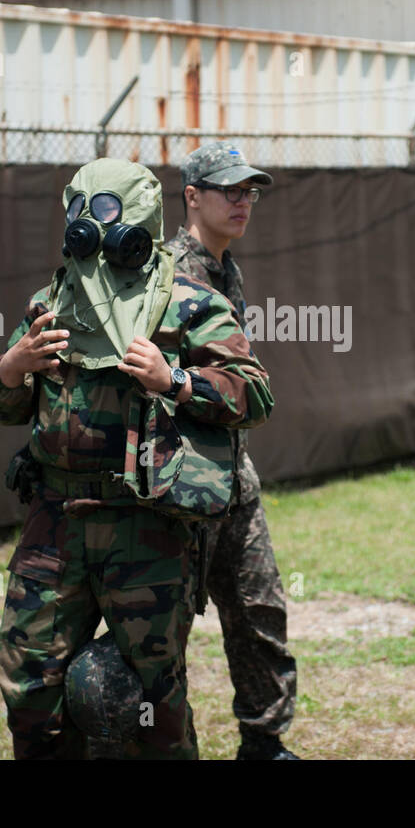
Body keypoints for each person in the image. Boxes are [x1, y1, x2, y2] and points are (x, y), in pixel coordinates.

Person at [0, 157, 273, 760]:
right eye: (80, 210)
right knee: (30, 684)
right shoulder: (50, 303)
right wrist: (13, 367)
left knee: (148, 698)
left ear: (137, 215)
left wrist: (177, 379)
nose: (91, 224)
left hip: (146, 527)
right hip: (55, 523)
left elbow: (255, 394)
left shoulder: (186, 303)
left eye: (106, 209)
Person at [163, 142, 300, 761]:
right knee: (166, 633)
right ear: (192, 196)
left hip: (234, 477)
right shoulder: (165, 274)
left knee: (259, 612)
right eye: (230, 191)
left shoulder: (226, 267)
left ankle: (263, 744)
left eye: (251, 191)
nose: (244, 202)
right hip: (180, 483)